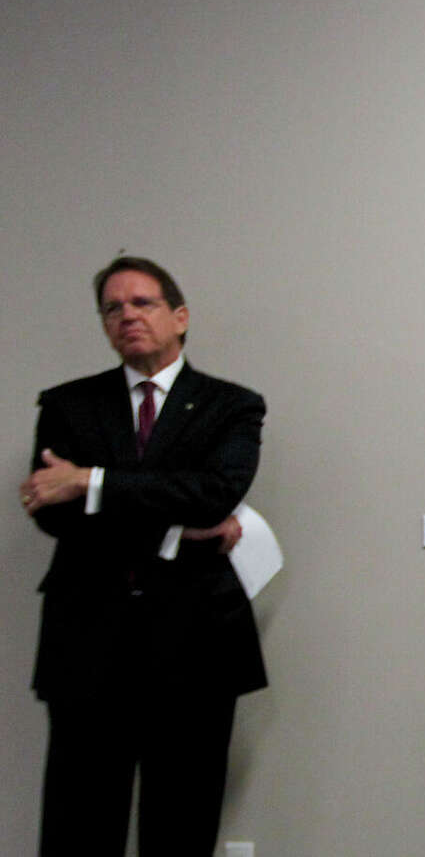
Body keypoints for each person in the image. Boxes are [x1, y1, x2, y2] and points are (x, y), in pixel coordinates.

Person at [20, 256, 267, 855]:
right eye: (112, 308)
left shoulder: (232, 406)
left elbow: (216, 492)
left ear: (179, 317)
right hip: (87, 641)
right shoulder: (67, 405)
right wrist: (179, 529)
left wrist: (94, 483)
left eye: (142, 303)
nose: (126, 315)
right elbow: (52, 511)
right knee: (78, 823)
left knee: (181, 822)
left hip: (197, 643)